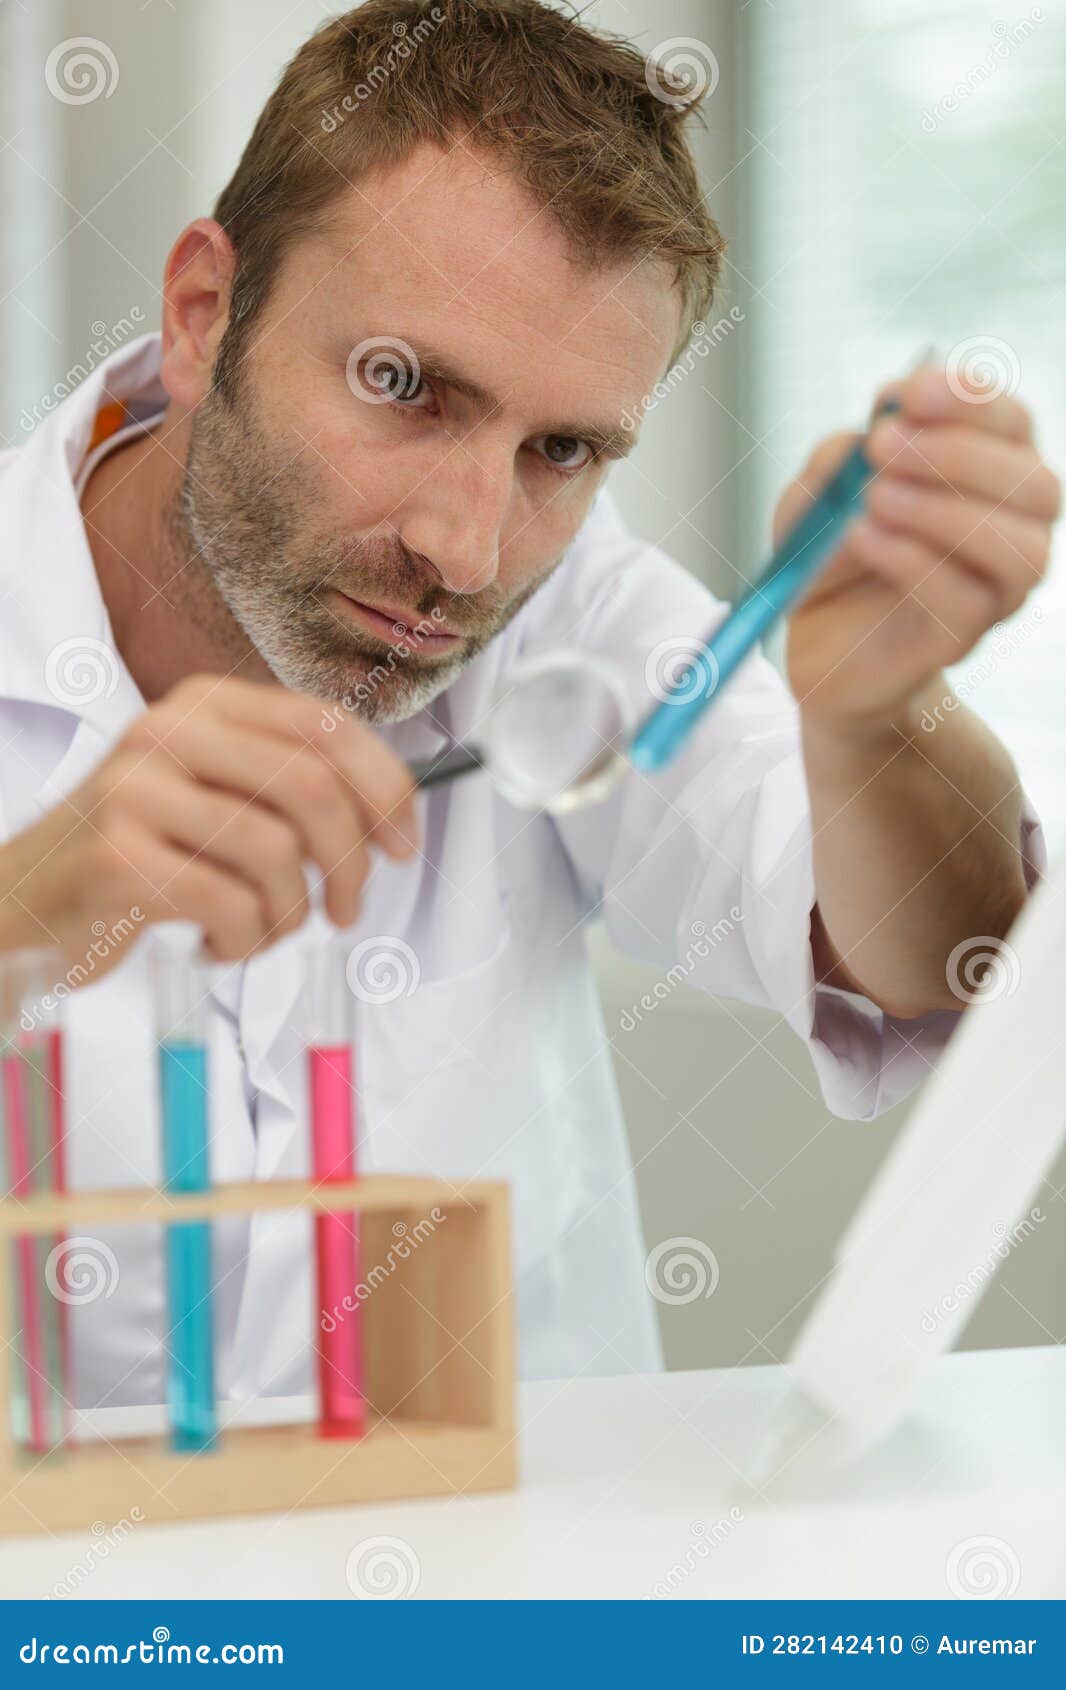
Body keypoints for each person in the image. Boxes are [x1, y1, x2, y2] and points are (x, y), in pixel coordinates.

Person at [0, 0, 1056, 1404]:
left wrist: (879, 714)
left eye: (560, 447)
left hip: (514, 1592)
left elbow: (933, 957)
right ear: (205, 314)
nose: (467, 550)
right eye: (403, 386)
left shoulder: (577, 624)